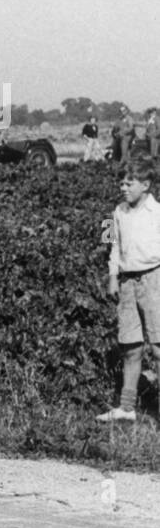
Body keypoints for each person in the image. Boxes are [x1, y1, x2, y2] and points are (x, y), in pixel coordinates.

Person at [98, 159, 160, 422]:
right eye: (121, 183)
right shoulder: (116, 212)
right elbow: (112, 246)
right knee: (130, 346)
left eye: (129, 183)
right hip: (126, 283)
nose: (123, 187)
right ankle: (126, 408)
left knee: (158, 346)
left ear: (145, 185)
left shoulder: (157, 212)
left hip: (153, 280)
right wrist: (113, 277)